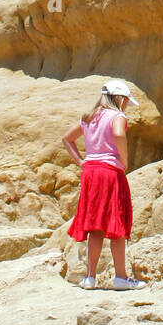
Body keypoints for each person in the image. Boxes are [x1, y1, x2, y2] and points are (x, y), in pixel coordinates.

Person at [62, 78, 145, 290]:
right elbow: (118, 133)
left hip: (90, 173)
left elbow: (67, 139)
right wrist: (124, 160)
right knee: (117, 221)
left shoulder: (89, 117)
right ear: (118, 98)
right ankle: (121, 277)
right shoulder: (117, 116)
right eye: (126, 100)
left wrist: (81, 161)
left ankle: (90, 277)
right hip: (110, 172)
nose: (126, 105)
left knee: (95, 225)